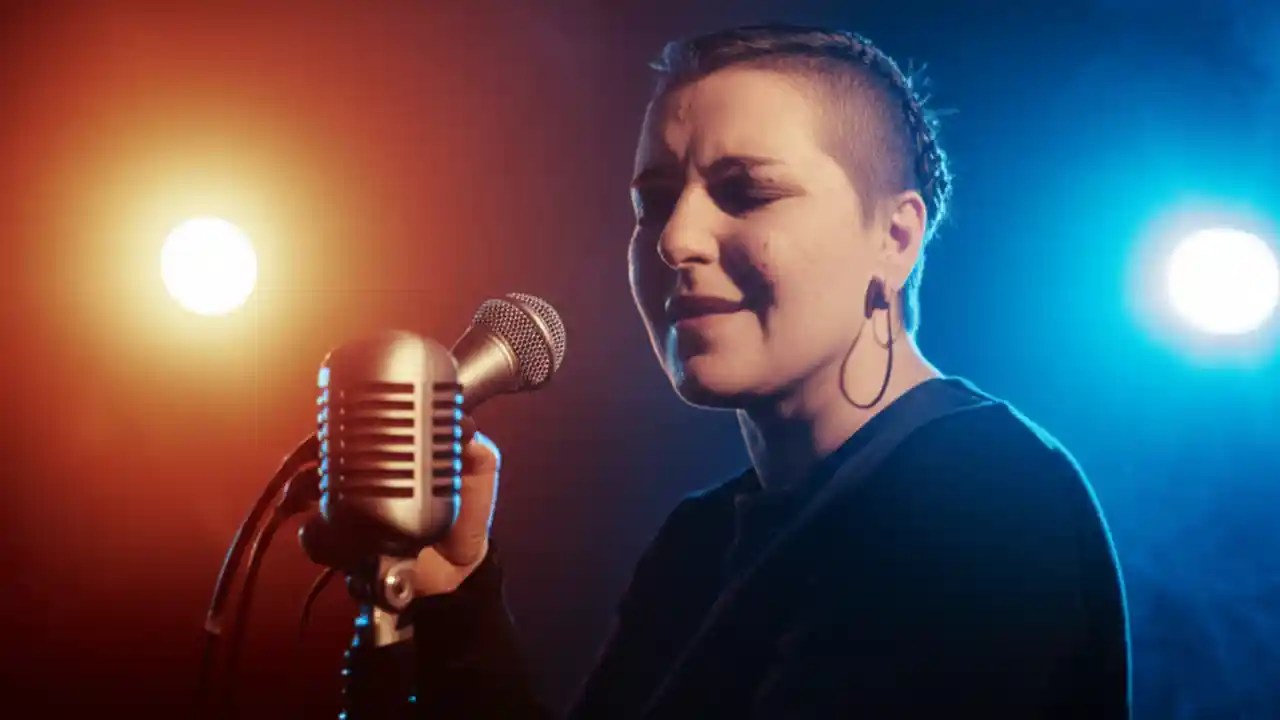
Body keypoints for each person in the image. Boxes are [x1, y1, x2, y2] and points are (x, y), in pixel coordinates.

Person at [406, 23, 1131, 718]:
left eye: (747, 191)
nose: (675, 240)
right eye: (654, 202)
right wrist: (453, 596)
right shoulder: (697, 540)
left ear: (895, 235)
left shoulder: (983, 492)